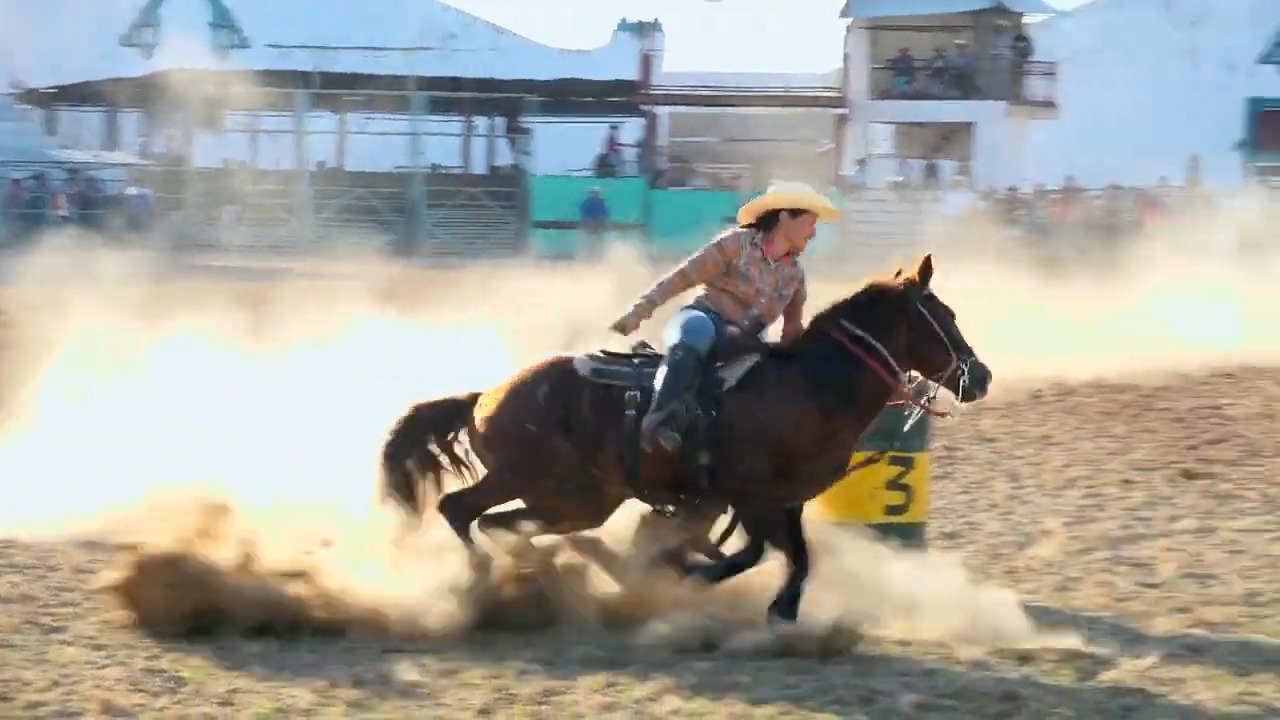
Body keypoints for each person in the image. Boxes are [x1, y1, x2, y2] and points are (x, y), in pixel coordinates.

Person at [608, 181, 840, 453]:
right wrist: (640, 311)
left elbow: (792, 331)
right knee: (695, 331)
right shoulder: (736, 244)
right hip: (705, 319)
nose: (813, 234)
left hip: (746, 343)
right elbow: (683, 277)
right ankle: (659, 422)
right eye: (811, 223)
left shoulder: (795, 277)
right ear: (785, 216)